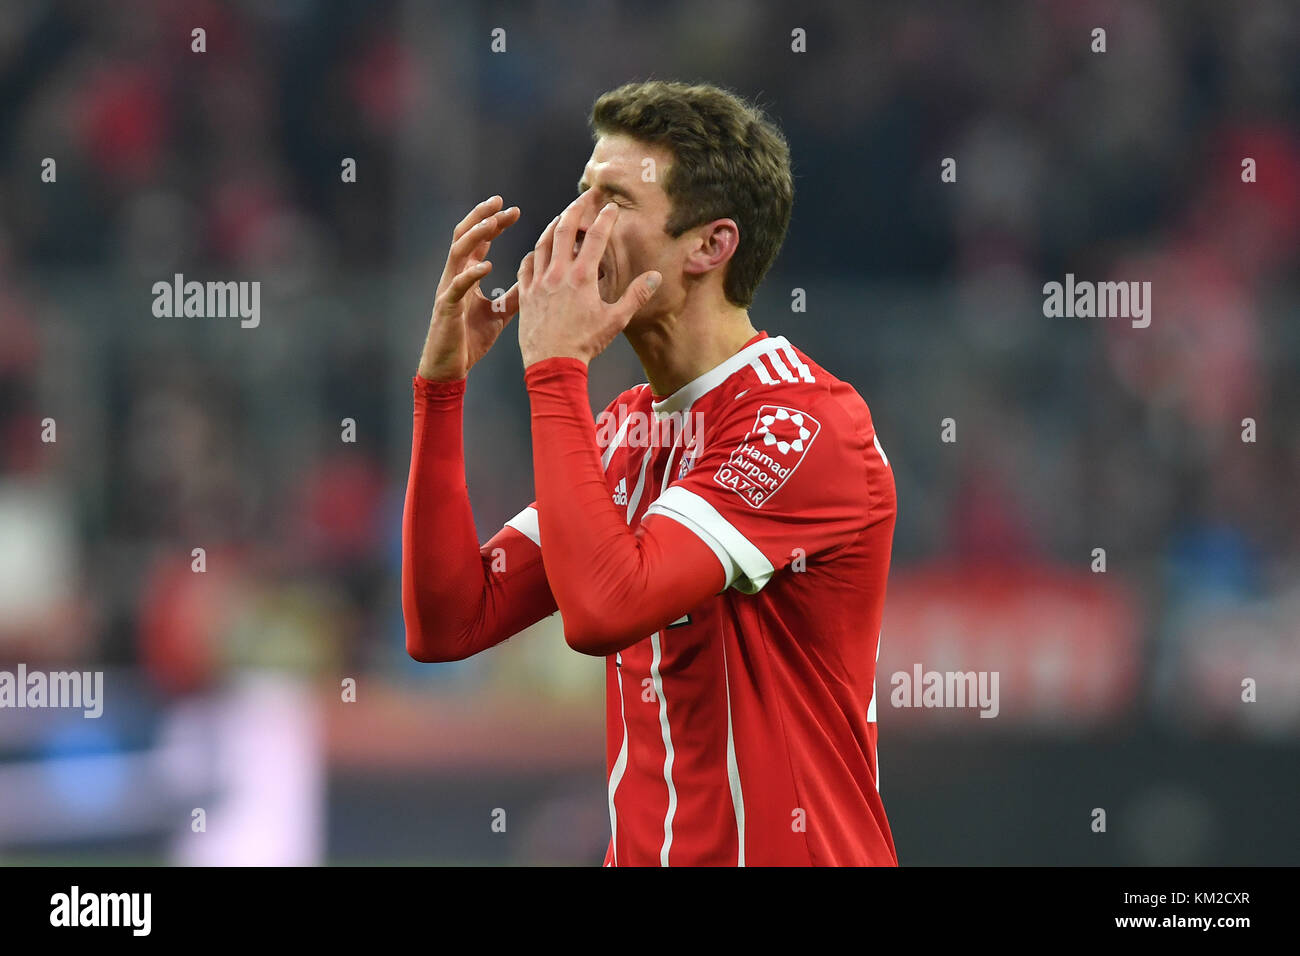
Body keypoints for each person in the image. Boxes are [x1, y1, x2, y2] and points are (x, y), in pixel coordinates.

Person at [403, 81, 898, 866]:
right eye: (580, 194)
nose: (573, 227)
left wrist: (557, 369)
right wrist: (441, 391)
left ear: (708, 246)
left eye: (613, 201)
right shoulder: (628, 427)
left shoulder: (803, 426)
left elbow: (605, 607)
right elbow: (449, 621)